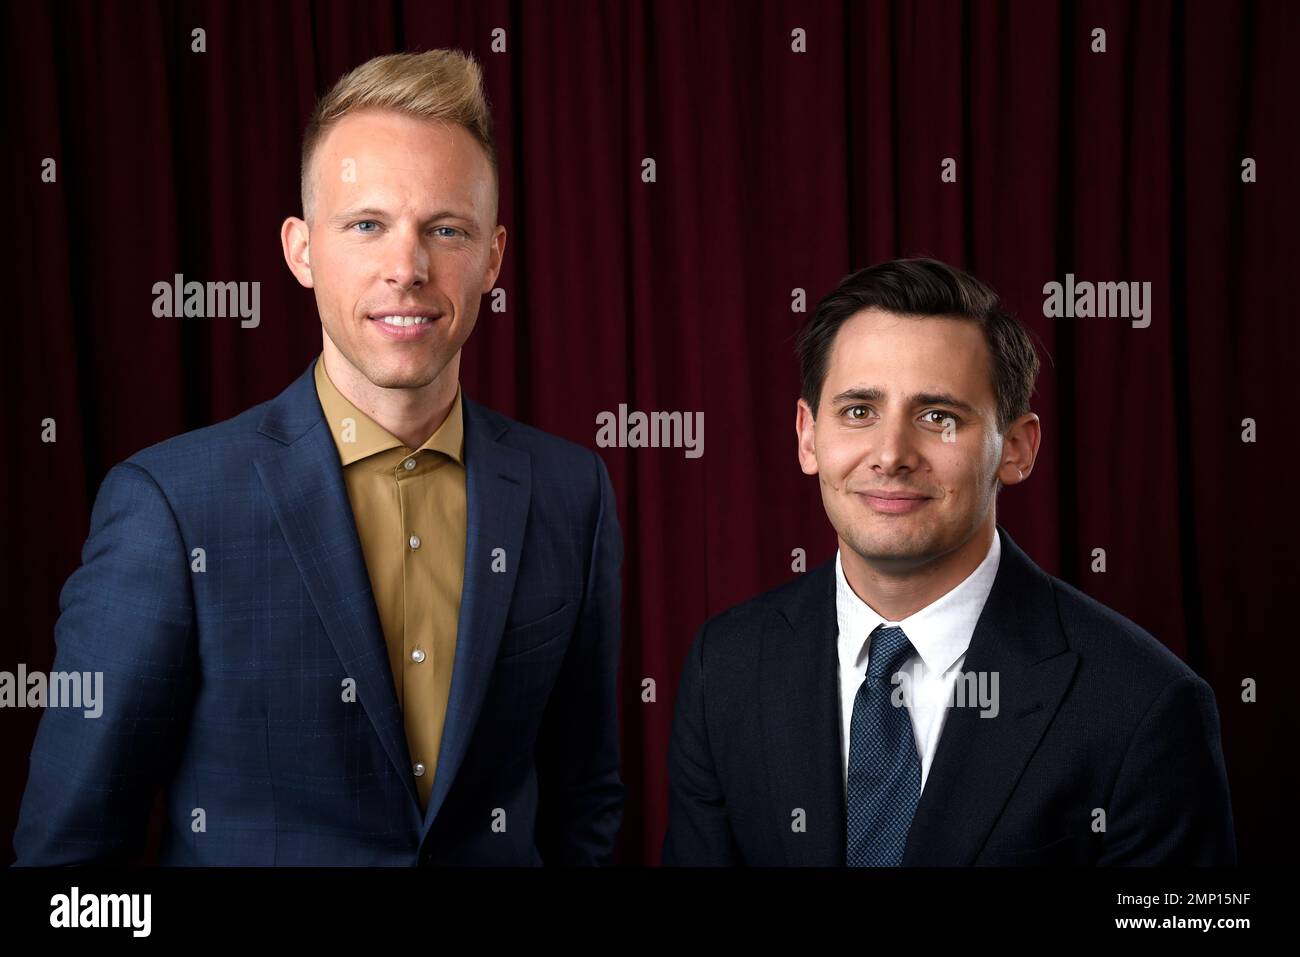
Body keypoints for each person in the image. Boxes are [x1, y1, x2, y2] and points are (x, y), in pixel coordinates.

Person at [14, 49, 624, 866]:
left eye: (445, 229)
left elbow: (585, 802)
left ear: (493, 257)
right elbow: (67, 868)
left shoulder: (570, 493)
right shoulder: (170, 505)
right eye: (366, 225)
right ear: (301, 250)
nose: (406, 269)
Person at [662, 257, 1235, 866]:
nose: (890, 455)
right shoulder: (722, 666)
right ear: (808, 436)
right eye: (859, 411)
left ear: (1015, 449)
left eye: (939, 417)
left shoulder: (1145, 702)